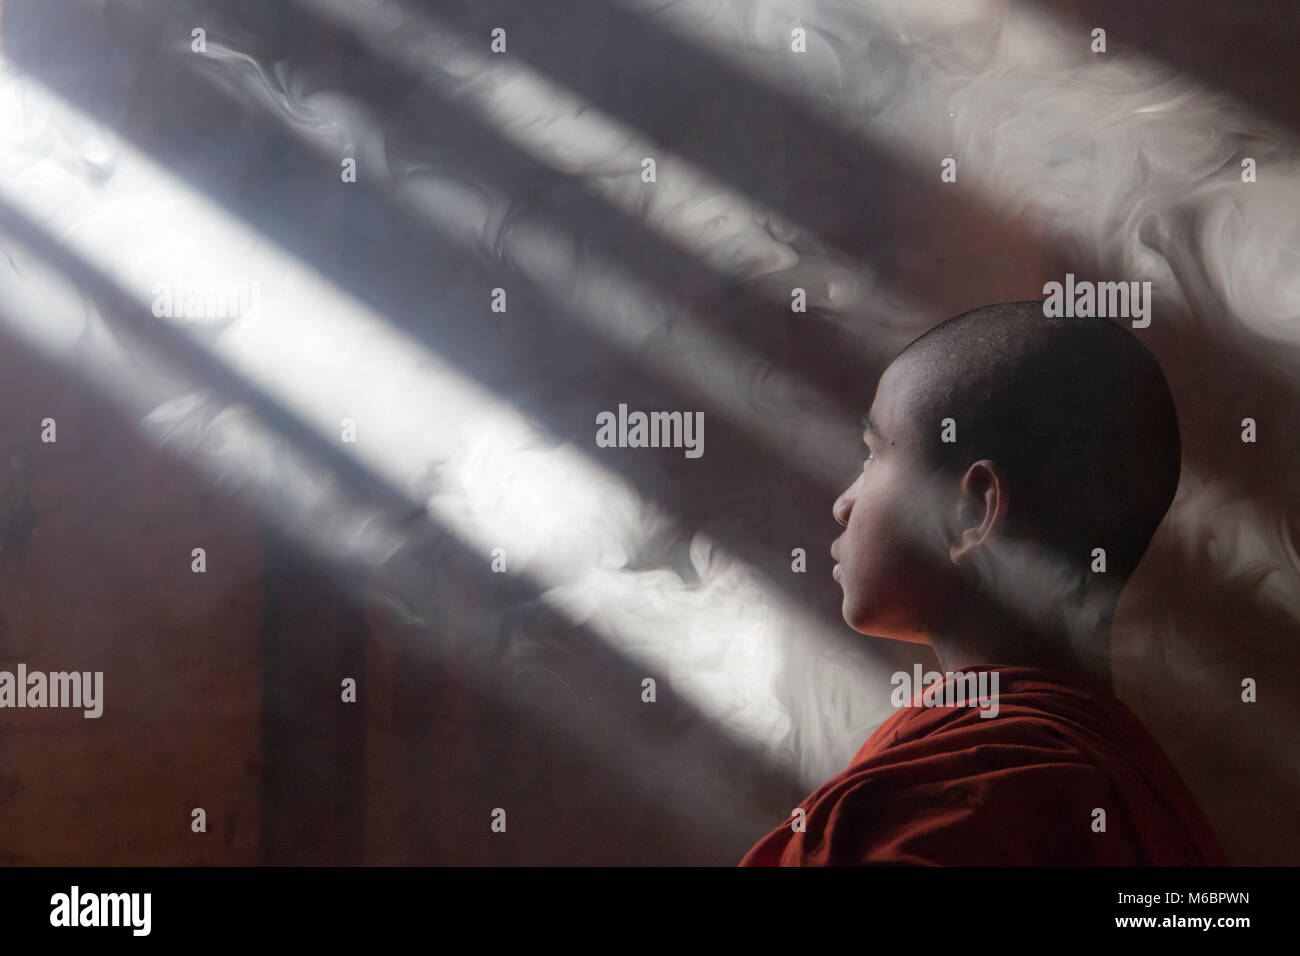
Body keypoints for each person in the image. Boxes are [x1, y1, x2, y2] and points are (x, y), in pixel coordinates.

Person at [740, 300, 1227, 865]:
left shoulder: (982, 797)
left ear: (972, 514)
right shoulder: (1141, 791)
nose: (843, 504)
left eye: (873, 457)